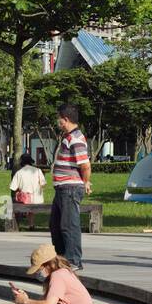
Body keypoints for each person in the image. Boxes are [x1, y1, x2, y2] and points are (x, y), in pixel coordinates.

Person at [50, 103, 91, 270]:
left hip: (70, 188)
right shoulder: (68, 138)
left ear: (65, 120)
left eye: (59, 119)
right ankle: (61, 258)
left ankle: (73, 260)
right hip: (62, 188)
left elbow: (85, 165)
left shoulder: (75, 140)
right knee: (55, 225)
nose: (57, 122)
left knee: (69, 225)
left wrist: (85, 182)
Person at [9, 153, 47, 231]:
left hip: (24, 200)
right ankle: (31, 224)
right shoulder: (38, 171)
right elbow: (43, 184)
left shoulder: (19, 173)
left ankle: (24, 219)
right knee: (30, 205)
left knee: (20, 201)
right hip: (37, 199)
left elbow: (13, 188)